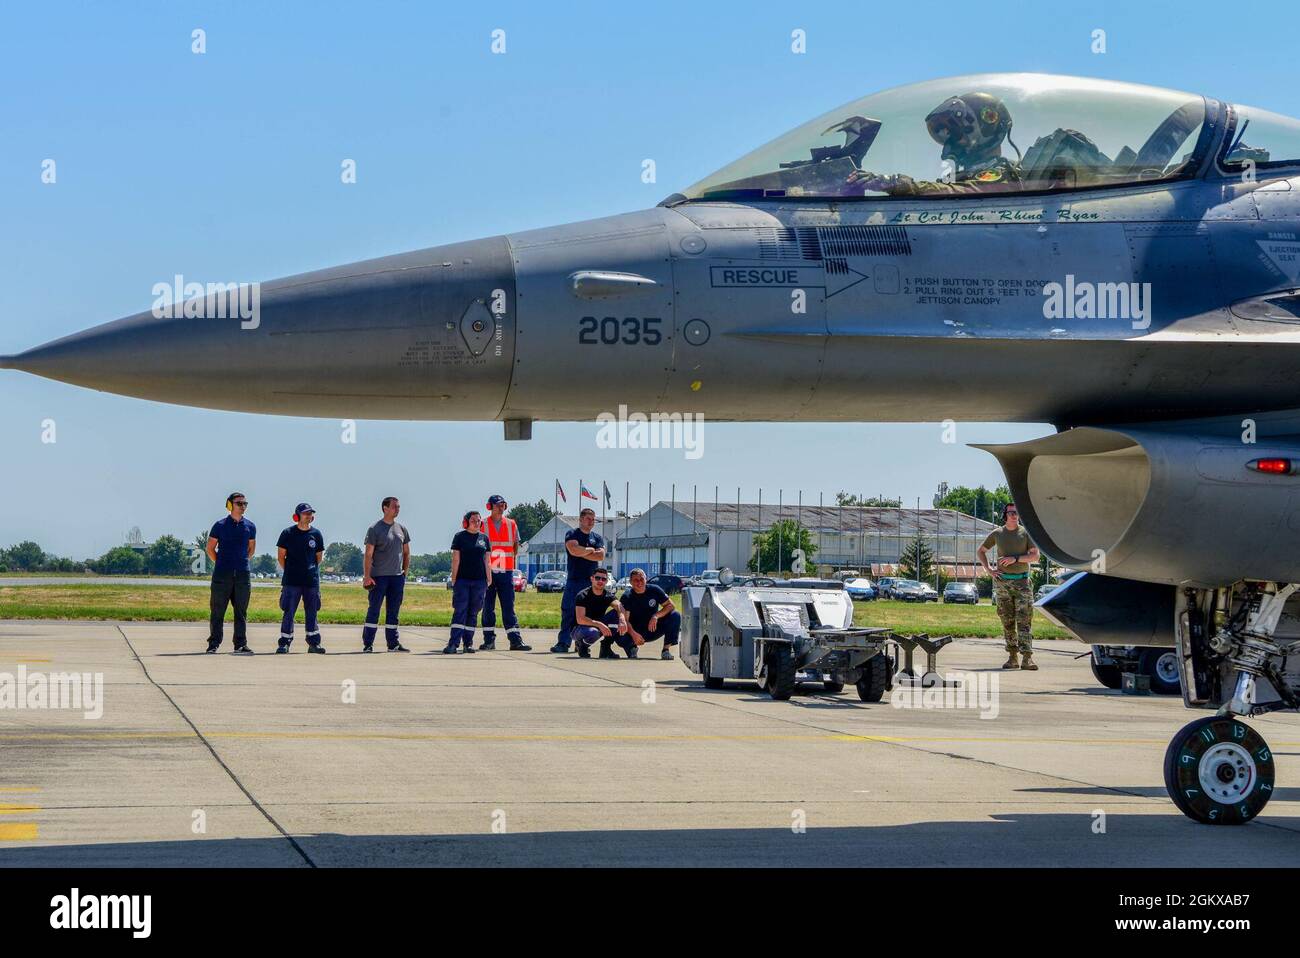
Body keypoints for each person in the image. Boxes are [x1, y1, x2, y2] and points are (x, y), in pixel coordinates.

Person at [846, 91, 1023, 196]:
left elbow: (956, 193)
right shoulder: (961, 177)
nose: (951, 143)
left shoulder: (999, 176)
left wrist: (893, 183)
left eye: (957, 134)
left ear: (986, 128)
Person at [977, 502, 1041, 670]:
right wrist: (989, 570)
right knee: (1007, 620)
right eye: (1011, 512)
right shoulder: (997, 533)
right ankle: (1012, 657)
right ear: (1005, 515)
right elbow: (981, 551)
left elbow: (1035, 556)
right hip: (1003, 583)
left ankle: (1027, 658)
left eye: (1016, 512)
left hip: (1023, 582)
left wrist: (1016, 558)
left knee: (1024, 620)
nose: (1014, 515)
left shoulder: (1026, 533)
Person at [550, 508, 606, 654]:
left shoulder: (597, 538)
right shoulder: (572, 534)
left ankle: (581, 643)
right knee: (568, 612)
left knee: (588, 614)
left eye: (593, 519)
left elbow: (600, 556)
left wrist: (583, 551)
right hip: (574, 581)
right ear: (580, 519)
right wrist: (589, 550)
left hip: (590, 583)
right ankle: (563, 643)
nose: (591, 522)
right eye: (588, 518)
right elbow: (574, 550)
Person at [206, 492, 257, 654]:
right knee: (217, 610)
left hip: (242, 574)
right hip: (222, 574)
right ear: (230, 505)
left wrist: (240, 562)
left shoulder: (250, 526)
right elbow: (210, 548)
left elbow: (251, 549)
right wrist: (222, 563)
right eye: (239, 503)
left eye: (245, 504)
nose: (243, 506)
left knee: (241, 611)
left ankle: (240, 644)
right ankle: (213, 643)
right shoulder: (220, 525)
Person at [479, 494, 531, 651]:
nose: (501, 508)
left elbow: (515, 546)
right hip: (488, 570)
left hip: (506, 570)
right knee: (488, 607)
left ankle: (515, 641)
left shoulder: (511, 524)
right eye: (498, 505)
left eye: (503, 505)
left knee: (508, 607)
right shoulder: (483, 524)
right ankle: (489, 641)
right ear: (490, 507)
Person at [362, 496, 411, 652]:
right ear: (385, 508)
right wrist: (367, 576)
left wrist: (404, 572)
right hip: (379, 577)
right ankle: (368, 643)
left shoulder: (402, 529)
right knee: (374, 610)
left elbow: (406, 552)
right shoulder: (375, 529)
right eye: (395, 506)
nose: (397, 509)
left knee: (393, 612)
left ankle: (393, 644)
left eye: (398, 506)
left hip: (396, 577)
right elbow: (368, 554)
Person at [276, 503, 326, 654]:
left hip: (311, 581)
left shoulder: (316, 534)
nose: (308, 516)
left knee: (312, 612)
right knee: (288, 612)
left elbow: (318, 558)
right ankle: (284, 643)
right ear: (297, 516)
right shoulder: (287, 533)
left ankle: (314, 643)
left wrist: (308, 571)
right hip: (291, 581)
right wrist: (292, 571)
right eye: (305, 513)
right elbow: (280, 557)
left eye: (310, 513)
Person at [445, 510, 491, 654]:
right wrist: (454, 579)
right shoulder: (459, 537)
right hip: (463, 581)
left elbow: (487, 560)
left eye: (478, 520)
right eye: (473, 520)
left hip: (479, 581)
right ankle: (453, 644)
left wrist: (489, 578)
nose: (477, 523)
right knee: (460, 611)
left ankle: (468, 644)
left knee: (473, 612)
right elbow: (456, 559)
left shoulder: (484, 538)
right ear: (466, 522)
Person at [571, 568, 634, 659]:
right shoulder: (582, 595)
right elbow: (580, 619)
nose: (600, 581)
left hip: (597, 625)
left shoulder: (607, 595)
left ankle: (605, 648)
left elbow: (619, 607)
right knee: (593, 632)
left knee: (616, 614)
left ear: (606, 581)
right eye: (597, 578)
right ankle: (582, 646)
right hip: (579, 628)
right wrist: (599, 624)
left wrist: (622, 619)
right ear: (592, 579)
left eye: (603, 579)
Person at [619, 568, 681, 661]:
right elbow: (625, 620)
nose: (639, 583)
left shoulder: (654, 590)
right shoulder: (627, 596)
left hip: (652, 627)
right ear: (631, 582)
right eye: (636, 580)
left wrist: (656, 616)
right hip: (635, 630)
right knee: (618, 624)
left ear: (646, 579)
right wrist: (633, 634)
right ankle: (631, 648)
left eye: (641, 579)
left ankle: (666, 650)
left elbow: (670, 605)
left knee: (675, 615)